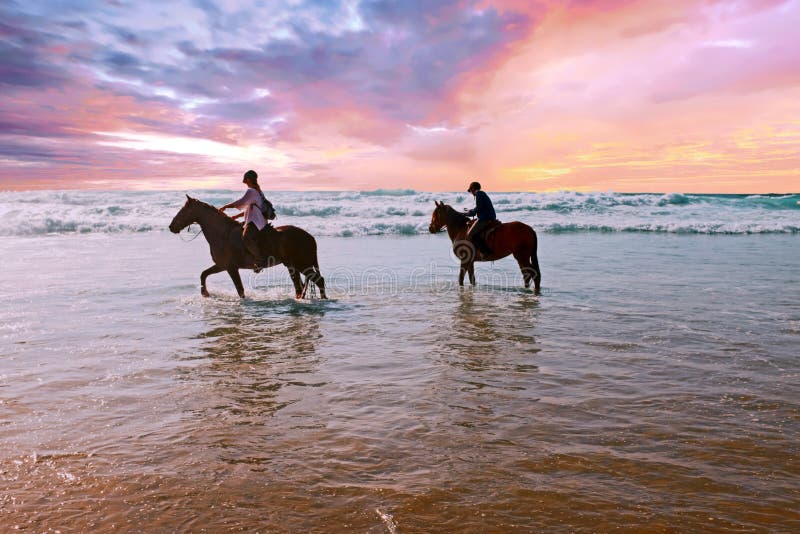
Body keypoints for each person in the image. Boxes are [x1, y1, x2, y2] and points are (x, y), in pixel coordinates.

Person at [218, 170, 274, 271]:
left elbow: (241, 202)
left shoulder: (251, 191)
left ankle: (260, 260)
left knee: (246, 237)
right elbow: (250, 209)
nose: (245, 182)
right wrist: (236, 217)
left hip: (256, 222)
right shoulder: (258, 191)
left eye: (245, 179)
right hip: (256, 220)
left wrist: (226, 206)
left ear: (248, 179)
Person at [464, 181, 496, 256]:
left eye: (471, 190)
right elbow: (479, 207)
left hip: (485, 217)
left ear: (473, 189)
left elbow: (479, 208)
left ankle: (485, 252)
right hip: (488, 216)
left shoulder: (478, 194)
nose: (471, 193)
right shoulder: (481, 194)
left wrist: (470, 213)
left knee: (470, 235)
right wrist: (471, 211)